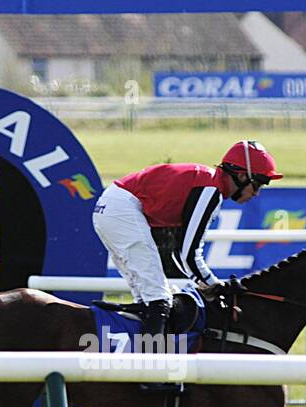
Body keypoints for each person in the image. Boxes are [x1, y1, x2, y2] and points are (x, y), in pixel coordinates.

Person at [92, 140, 283, 349]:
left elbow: (179, 252)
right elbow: (189, 254)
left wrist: (207, 284)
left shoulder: (208, 184)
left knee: (150, 298)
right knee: (158, 299)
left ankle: (135, 361)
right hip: (120, 209)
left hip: (112, 207)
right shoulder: (210, 190)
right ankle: (150, 374)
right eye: (258, 184)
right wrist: (215, 285)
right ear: (242, 176)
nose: (256, 193)